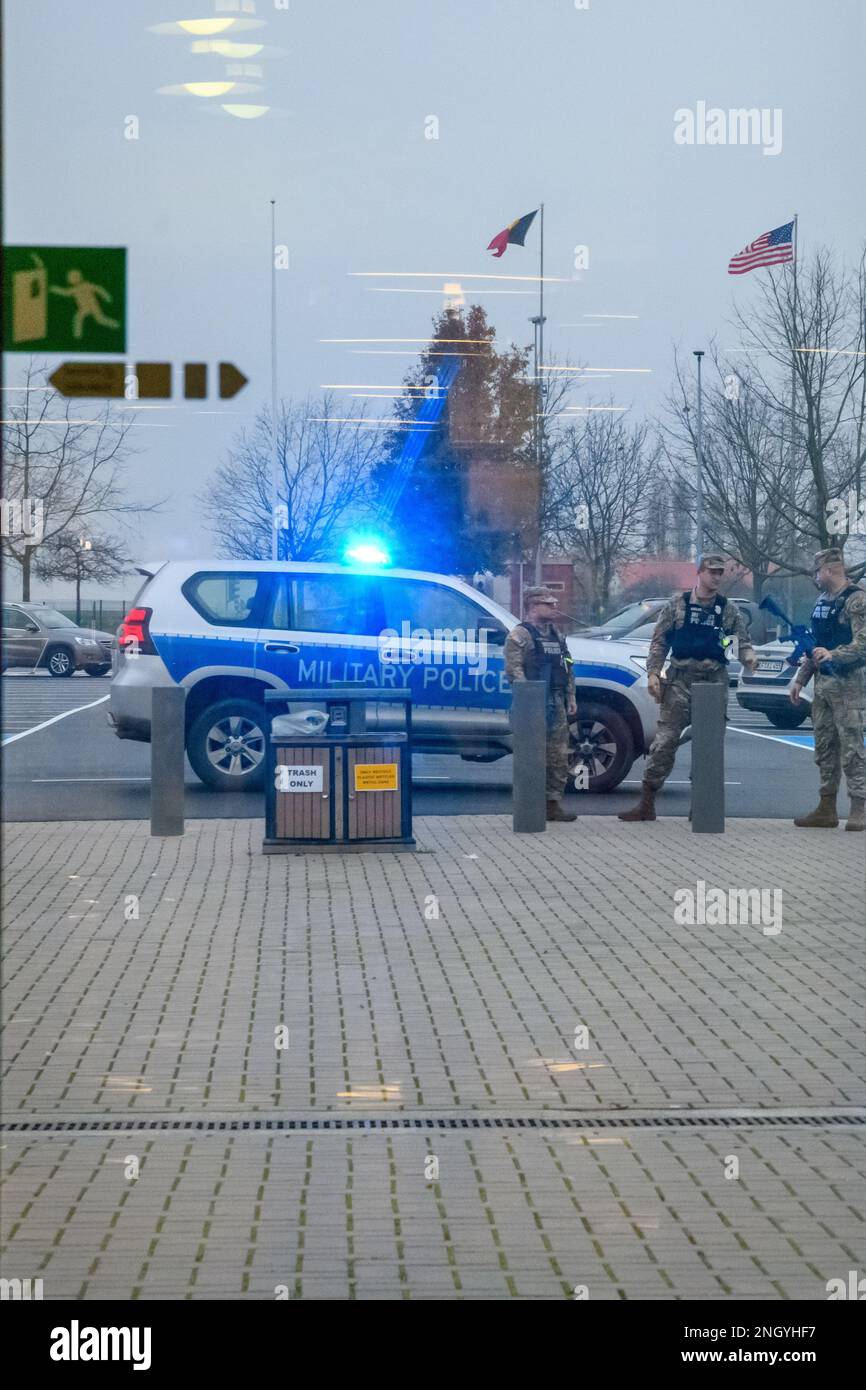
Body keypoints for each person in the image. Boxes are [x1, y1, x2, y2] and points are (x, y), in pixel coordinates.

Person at [618, 554, 757, 821]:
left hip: (713, 682)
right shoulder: (677, 605)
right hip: (680, 680)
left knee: (708, 747)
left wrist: (748, 657)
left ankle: (703, 807)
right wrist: (653, 674)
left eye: (720, 572)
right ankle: (646, 803)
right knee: (664, 742)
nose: (717, 577)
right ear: (700, 572)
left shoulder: (727, 609)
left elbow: (741, 642)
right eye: (712, 572)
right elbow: (659, 642)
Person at [791, 548, 866, 831]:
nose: (815, 576)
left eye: (817, 571)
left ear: (831, 570)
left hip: (848, 684)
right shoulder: (821, 601)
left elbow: (863, 643)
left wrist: (834, 654)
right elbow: (814, 645)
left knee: (852, 747)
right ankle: (826, 807)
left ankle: (860, 807)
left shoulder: (856, 600)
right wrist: (800, 679)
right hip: (822, 685)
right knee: (824, 746)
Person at [505, 586, 578, 822]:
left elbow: (567, 666)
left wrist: (570, 696)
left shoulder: (557, 635)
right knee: (531, 756)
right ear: (533, 606)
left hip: (555, 701)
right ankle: (529, 805)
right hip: (531, 704)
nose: (554, 608)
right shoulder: (519, 636)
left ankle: (552, 803)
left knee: (558, 755)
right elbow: (514, 670)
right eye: (548, 604)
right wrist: (528, 700)